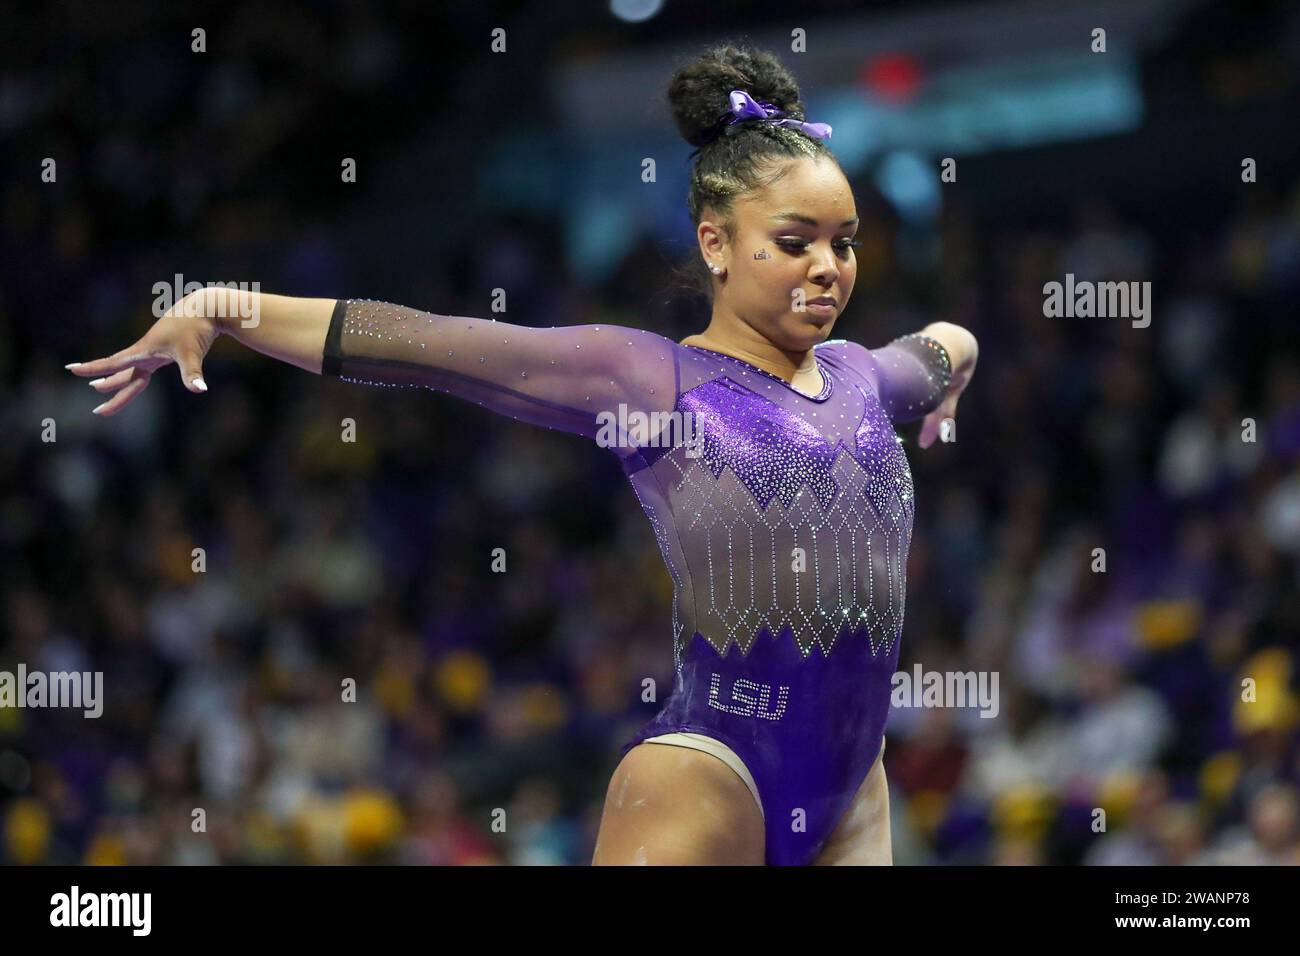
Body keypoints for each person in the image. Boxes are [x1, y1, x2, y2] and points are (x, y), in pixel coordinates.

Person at [65, 43, 978, 865]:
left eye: (843, 243)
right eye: (794, 243)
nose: (829, 266)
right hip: (711, 776)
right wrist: (226, 307)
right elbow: (428, 342)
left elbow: (948, 343)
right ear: (717, 244)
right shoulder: (652, 378)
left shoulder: (866, 377)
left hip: (855, 797)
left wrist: (953, 379)